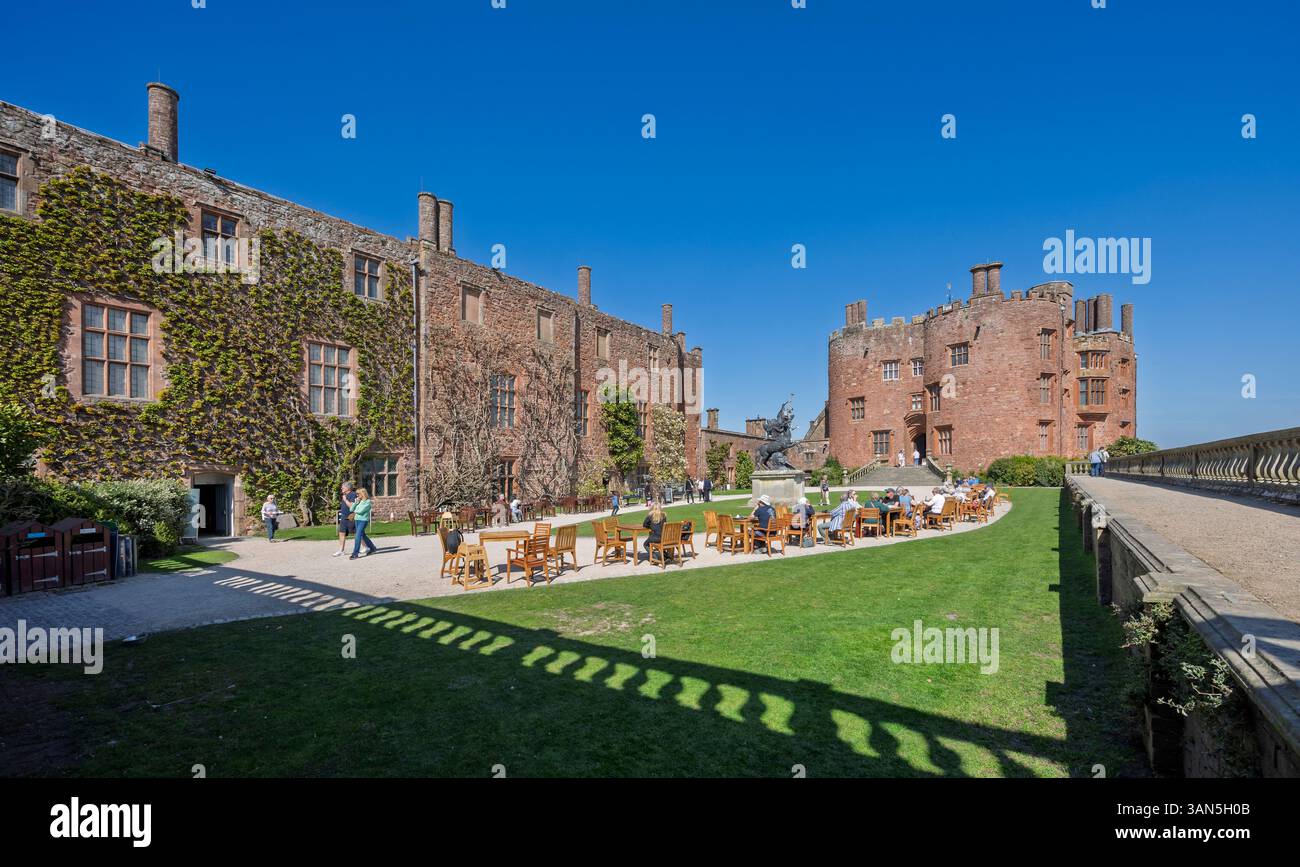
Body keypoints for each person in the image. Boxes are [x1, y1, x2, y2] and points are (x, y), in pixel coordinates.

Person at [348, 488, 378, 559]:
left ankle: (355, 554)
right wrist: (355, 503)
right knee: (363, 535)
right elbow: (351, 509)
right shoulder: (358, 501)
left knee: (357, 536)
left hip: (363, 521)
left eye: (358, 494)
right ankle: (373, 548)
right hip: (357, 520)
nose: (357, 495)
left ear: (363, 494)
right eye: (356, 494)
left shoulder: (368, 502)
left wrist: (356, 510)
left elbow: (361, 511)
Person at [333, 482, 357, 557]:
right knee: (342, 533)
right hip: (344, 517)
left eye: (343, 487)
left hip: (350, 517)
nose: (341, 488)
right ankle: (341, 550)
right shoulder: (345, 495)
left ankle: (366, 547)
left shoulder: (353, 494)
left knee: (357, 533)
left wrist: (345, 499)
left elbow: (352, 506)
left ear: (348, 488)